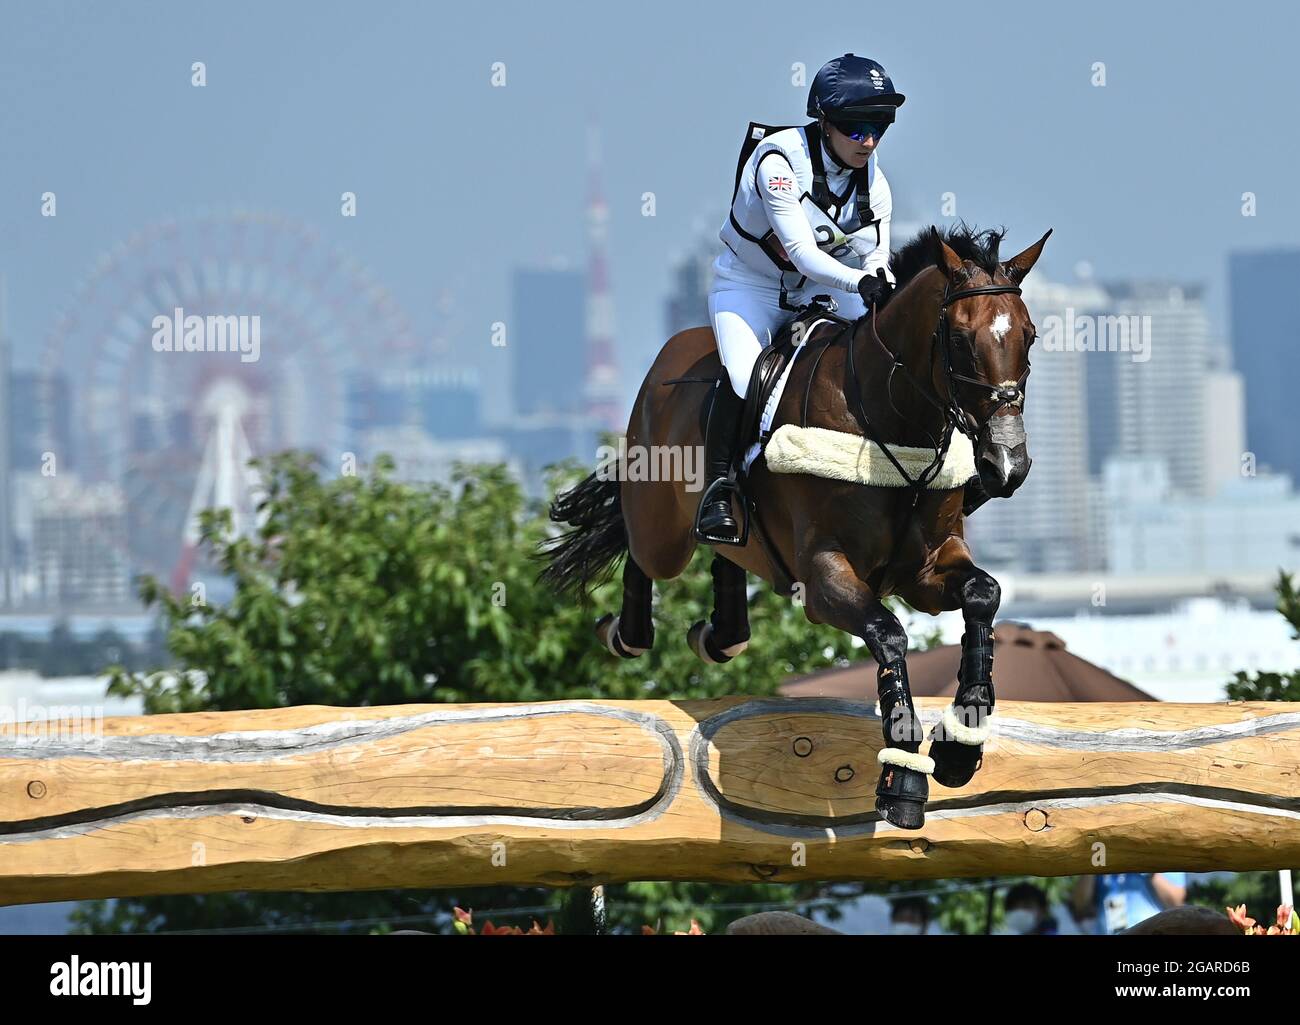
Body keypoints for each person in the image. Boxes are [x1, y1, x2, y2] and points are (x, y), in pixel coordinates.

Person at [696, 53, 904, 544]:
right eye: (856, 126)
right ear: (825, 121)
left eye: (880, 125)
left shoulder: (874, 183)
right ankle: (718, 489)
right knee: (745, 377)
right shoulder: (778, 160)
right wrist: (860, 283)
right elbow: (803, 254)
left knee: (887, 345)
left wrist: (877, 281)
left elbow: (876, 255)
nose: (868, 140)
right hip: (750, 287)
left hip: (816, 288)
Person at [1072, 872, 1188, 935]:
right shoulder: (1102, 857)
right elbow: (1080, 904)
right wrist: (1091, 867)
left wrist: (1149, 867)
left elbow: (1176, 902)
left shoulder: (1164, 854)